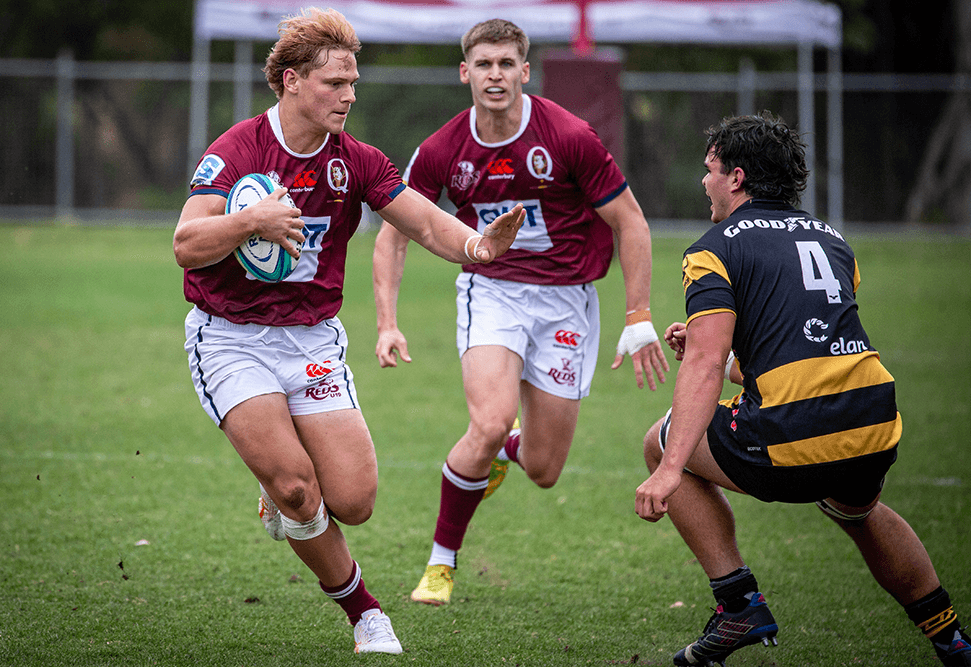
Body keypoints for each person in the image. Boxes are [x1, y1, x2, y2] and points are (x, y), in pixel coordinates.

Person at [173, 7, 524, 656]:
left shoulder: (354, 159)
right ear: (291, 81)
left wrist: (476, 246)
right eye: (335, 83)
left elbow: (421, 221)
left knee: (355, 500)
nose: (350, 94)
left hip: (311, 339)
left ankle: (281, 486)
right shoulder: (237, 149)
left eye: (353, 81)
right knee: (298, 489)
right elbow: (186, 243)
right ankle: (365, 613)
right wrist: (247, 222)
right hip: (231, 337)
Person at [635, 111, 971, 667]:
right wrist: (716, 355)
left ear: (736, 177)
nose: (704, 181)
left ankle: (738, 604)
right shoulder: (833, 239)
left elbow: (705, 362)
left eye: (709, 168)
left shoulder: (712, 249)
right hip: (872, 423)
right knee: (855, 508)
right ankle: (950, 638)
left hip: (794, 437)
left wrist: (670, 466)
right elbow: (799, 355)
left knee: (661, 441)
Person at [372, 18, 669, 606]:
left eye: (507, 64)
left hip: (567, 299)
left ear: (525, 72)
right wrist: (387, 321)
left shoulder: (569, 136)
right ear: (465, 73)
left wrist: (638, 315)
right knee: (487, 421)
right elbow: (394, 233)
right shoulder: (442, 149)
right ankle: (440, 562)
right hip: (493, 291)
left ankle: (509, 451)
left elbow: (630, 221)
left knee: (543, 468)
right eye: (484, 64)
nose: (495, 75)